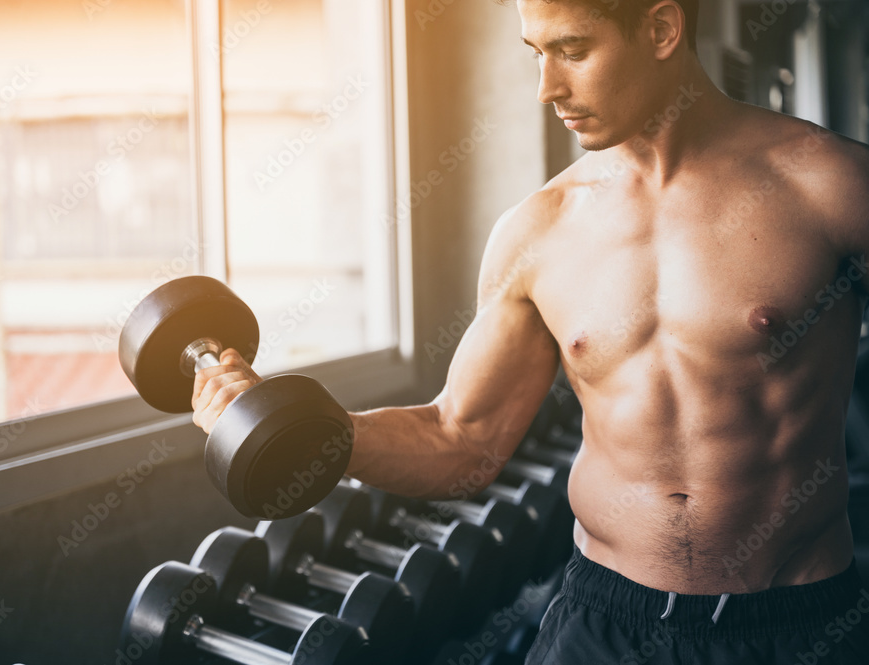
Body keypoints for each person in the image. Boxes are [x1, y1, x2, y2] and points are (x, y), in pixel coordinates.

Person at [191, 0, 869, 662]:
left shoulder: (829, 185)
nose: (547, 88)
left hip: (795, 624)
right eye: (536, 54)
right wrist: (308, 430)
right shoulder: (538, 231)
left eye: (573, 50)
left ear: (662, 29)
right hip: (605, 621)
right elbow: (464, 439)